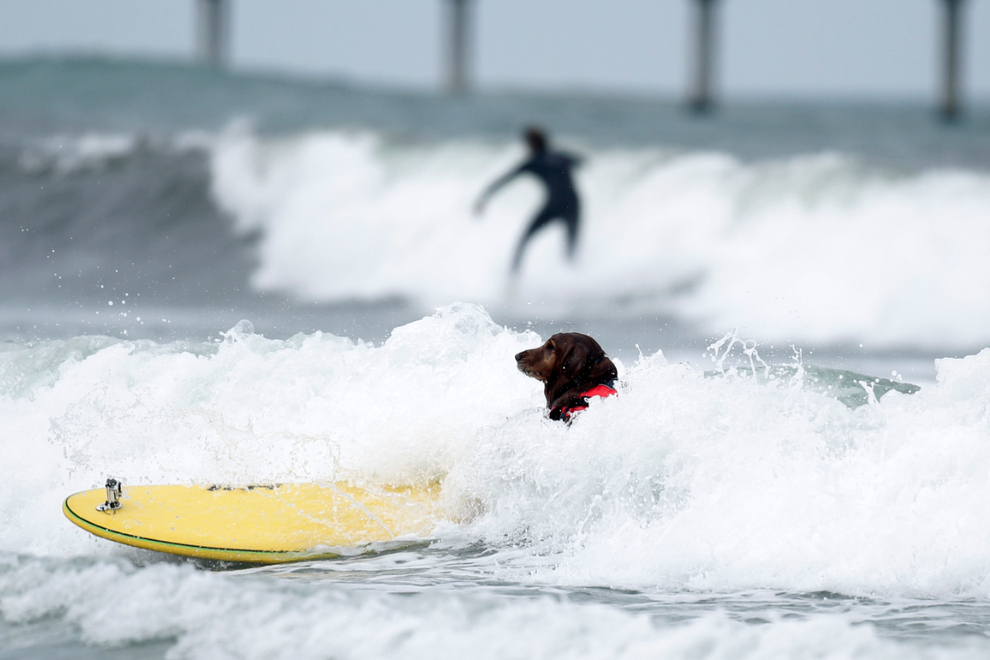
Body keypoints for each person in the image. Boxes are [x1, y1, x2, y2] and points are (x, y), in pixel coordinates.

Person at [475, 127, 583, 274]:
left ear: (530, 144)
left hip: (554, 205)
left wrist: (484, 198)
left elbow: (505, 179)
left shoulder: (533, 162)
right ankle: (574, 279)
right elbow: (581, 162)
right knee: (571, 247)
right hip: (574, 204)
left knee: (523, 242)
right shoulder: (561, 156)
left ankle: (512, 281)